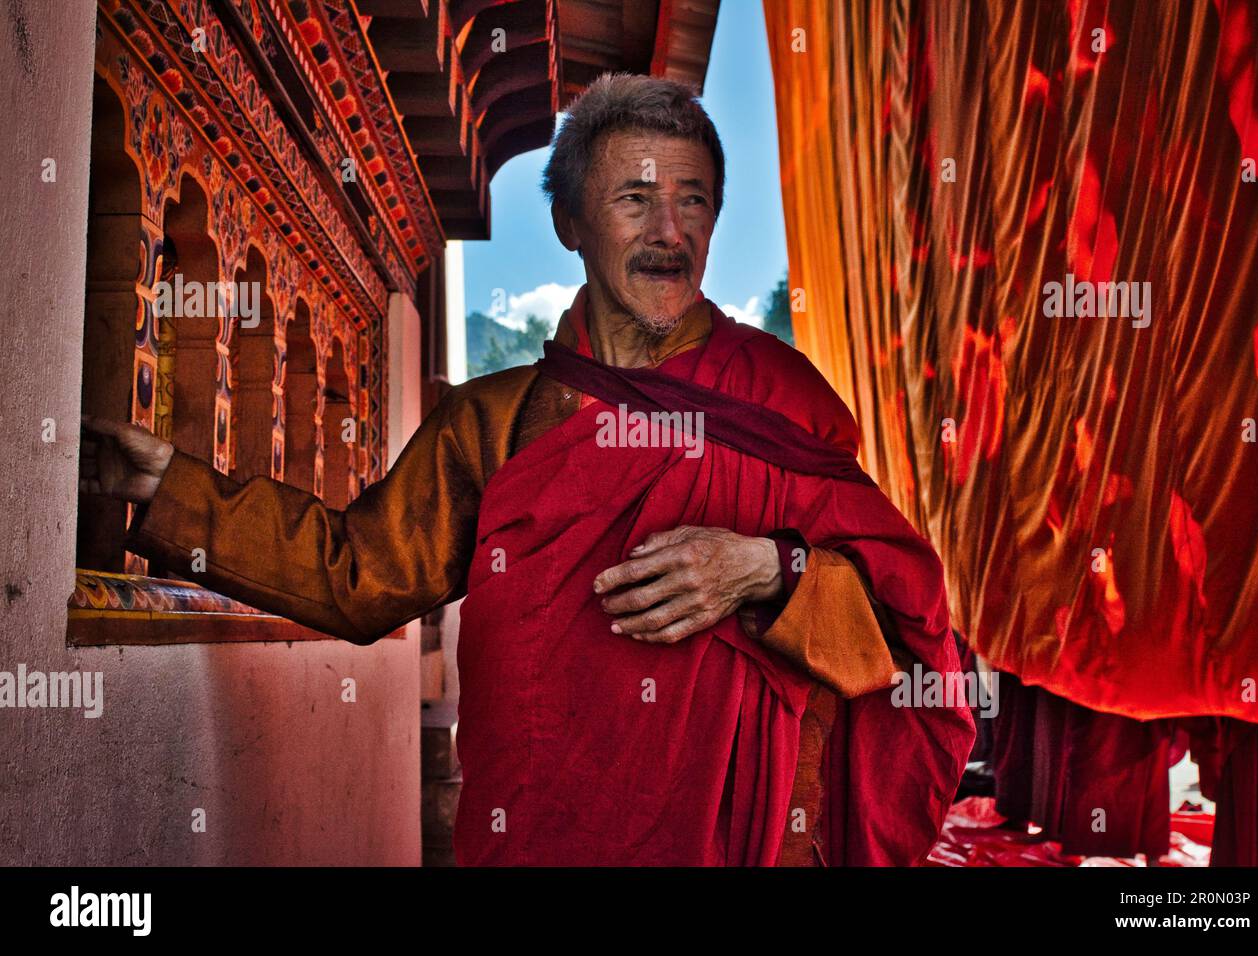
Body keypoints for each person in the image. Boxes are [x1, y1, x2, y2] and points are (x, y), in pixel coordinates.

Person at [81, 73, 974, 865]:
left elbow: (902, 628)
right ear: (568, 223)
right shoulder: (495, 421)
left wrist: (769, 570)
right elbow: (357, 575)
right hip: (550, 830)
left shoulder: (779, 399)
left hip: (746, 836)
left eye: (693, 203)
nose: (670, 234)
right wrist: (172, 488)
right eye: (634, 199)